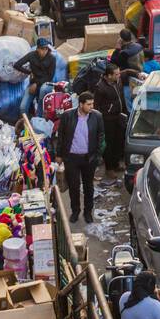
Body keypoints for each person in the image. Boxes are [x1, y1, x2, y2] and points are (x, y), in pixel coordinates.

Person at [56, 91, 104, 223]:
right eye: (89, 104)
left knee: (89, 187)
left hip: (89, 158)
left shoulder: (97, 116)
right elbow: (61, 136)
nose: (91, 107)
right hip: (72, 158)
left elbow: (101, 136)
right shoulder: (67, 116)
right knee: (74, 186)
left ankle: (88, 212)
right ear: (81, 104)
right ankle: (75, 211)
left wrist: (98, 155)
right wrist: (59, 154)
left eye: (92, 104)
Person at [94, 65, 127, 176]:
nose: (119, 75)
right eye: (116, 74)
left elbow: (127, 72)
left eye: (119, 73)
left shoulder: (118, 81)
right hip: (108, 120)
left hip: (119, 116)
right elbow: (96, 106)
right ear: (109, 75)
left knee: (119, 142)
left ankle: (116, 163)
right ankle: (109, 168)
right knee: (109, 144)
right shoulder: (100, 87)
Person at [12, 39, 57, 117]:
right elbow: (17, 65)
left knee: (43, 89)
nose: (44, 51)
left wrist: (36, 83)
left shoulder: (52, 58)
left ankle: (38, 118)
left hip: (46, 84)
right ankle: (25, 124)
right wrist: (29, 72)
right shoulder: (31, 55)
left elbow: (50, 77)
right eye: (42, 49)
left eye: (46, 48)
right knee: (23, 107)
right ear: (37, 49)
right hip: (33, 84)